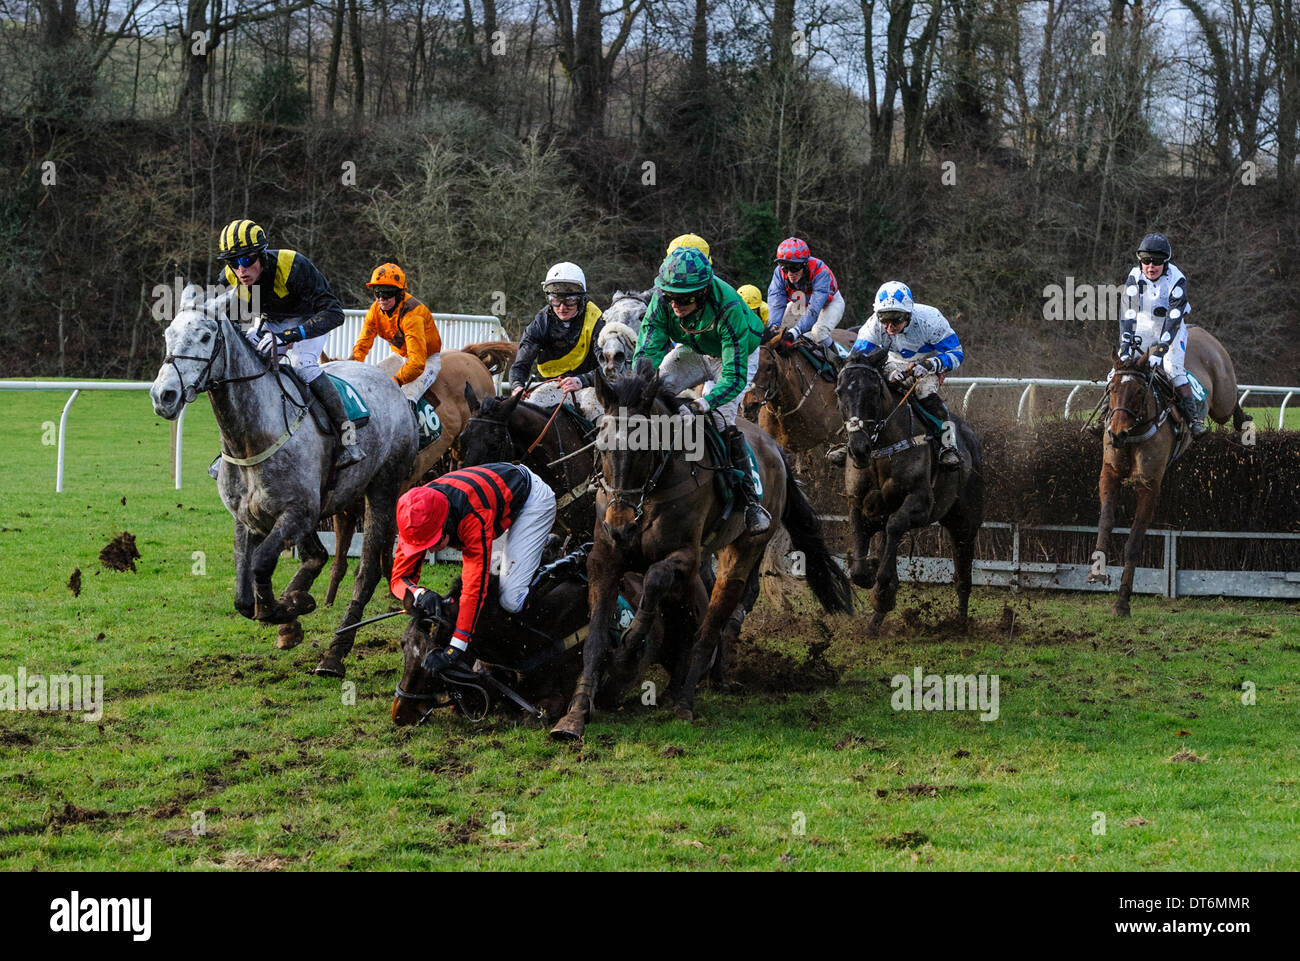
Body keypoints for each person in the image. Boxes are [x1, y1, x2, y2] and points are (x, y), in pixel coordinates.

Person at [635, 246, 771, 534]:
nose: (675, 304)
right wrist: (641, 387)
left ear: (703, 292)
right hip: (694, 347)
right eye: (671, 296)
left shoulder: (729, 307)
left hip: (737, 356)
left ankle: (749, 499)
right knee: (653, 389)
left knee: (720, 419)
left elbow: (733, 379)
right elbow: (648, 347)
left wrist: (701, 404)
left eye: (683, 299)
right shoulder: (663, 298)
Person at [216, 218, 364, 467]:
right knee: (244, 363)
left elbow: (334, 313)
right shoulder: (229, 276)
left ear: (262, 255)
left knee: (303, 365)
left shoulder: (293, 266)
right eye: (233, 262)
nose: (240, 269)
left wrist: (290, 336)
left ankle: (348, 439)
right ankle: (230, 451)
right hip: (271, 321)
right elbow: (221, 318)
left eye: (246, 260)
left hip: (310, 319)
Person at [391, 462, 558, 675]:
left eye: (433, 543)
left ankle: (547, 572)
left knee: (510, 600)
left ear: (445, 522)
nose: (430, 552)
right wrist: (419, 593)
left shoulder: (472, 517)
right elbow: (398, 579)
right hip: (498, 504)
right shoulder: (415, 516)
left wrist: (455, 648)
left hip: (531, 502)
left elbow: (474, 588)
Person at [839, 280, 965, 469]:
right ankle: (848, 440)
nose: (890, 326)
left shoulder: (930, 320)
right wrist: (885, 373)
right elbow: (856, 361)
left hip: (927, 362)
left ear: (908, 314)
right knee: (863, 392)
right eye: (884, 319)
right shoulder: (872, 326)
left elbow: (957, 353)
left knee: (925, 393)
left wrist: (932, 364)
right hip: (890, 362)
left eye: (896, 319)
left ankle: (948, 445)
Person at [1117, 233, 1204, 437]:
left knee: (1172, 369)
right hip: (1144, 325)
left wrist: (1158, 353)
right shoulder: (1134, 277)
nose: (1150, 266)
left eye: (1156, 262)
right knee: (1119, 372)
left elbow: (1172, 322)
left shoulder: (1177, 279)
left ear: (1165, 262)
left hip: (1172, 328)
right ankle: (1104, 415)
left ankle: (1194, 421)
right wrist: (1124, 350)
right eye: (1146, 261)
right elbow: (1128, 317)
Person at [508, 263, 605, 410]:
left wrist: (582, 380)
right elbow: (520, 365)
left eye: (570, 301)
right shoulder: (540, 322)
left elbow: (609, 368)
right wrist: (517, 386)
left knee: (595, 411)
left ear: (580, 299)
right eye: (556, 300)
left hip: (589, 387)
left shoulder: (597, 320)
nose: (562, 308)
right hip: (551, 387)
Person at [351, 263, 443, 403]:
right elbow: (362, 345)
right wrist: (352, 369)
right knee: (371, 383)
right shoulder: (374, 311)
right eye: (377, 292)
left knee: (405, 399)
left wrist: (396, 380)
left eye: (387, 293)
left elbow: (417, 363)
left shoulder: (413, 315)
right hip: (400, 356)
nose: (381, 299)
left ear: (399, 293)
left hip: (426, 360)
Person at [766, 237, 846, 349]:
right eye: (785, 268)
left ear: (804, 264)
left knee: (819, 333)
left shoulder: (820, 271)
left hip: (829, 303)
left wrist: (794, 332)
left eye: (794, 268)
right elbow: (776, 303)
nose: (789, 273)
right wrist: (774, 328)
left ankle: (840, 361)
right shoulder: (779, 273)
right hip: (801, 301)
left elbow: (814, 309)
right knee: (777, 332)